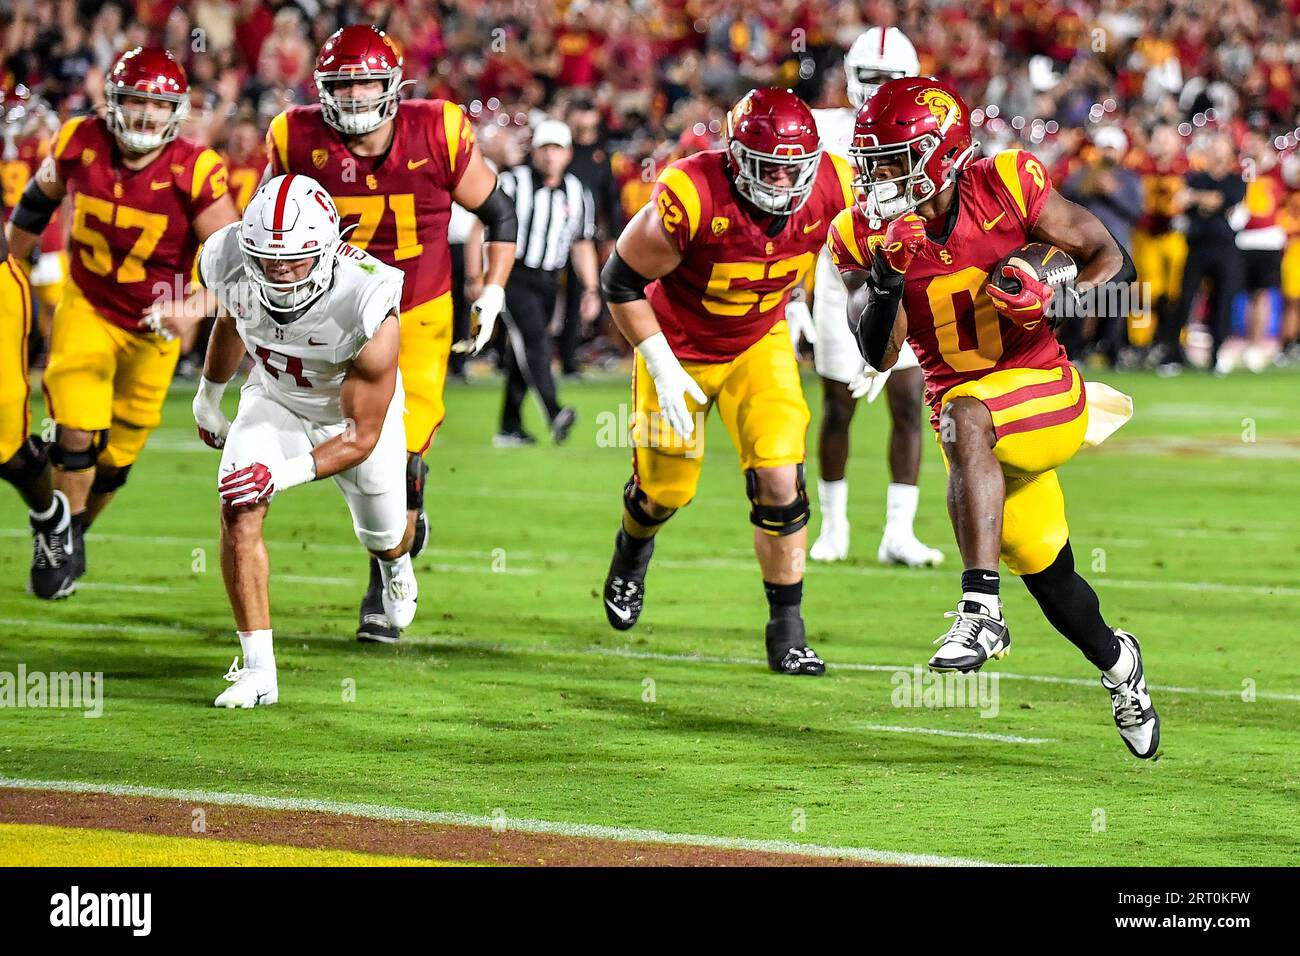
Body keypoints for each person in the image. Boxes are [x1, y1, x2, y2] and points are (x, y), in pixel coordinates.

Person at [830, 77, 1159, 758]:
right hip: (974, 432)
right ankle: (1120, 663)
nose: (881, 177)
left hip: (1043, 390)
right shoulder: (862, 230)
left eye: (898, 159)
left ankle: (980, 610)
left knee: (966, 412)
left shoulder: (1007, 181)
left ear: (945, 154)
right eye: (875, 161)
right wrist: (886, 279)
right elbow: (877, 353)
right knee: (1053, 578)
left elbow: (1112, 261)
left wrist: (1055, 286)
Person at [253, 25, 518, 644]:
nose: (352, 101)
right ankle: (397, 536)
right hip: (325, 317)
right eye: (341, 88)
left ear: (392, 85)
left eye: (366, 84)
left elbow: (497, 211)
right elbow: (266, 224)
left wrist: (494, 289)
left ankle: (385, 572)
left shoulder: (438, 129)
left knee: (397, 449)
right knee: (346, 445)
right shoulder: (295, 137)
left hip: (417, 310)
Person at [599, 88, 856, 676]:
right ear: (737, 157)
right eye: (771, 167)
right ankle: (632, 549)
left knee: (780, 476)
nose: (785, 181)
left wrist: (869, 336)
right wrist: (660, 365)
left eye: (796, 167)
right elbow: (619, 281)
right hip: (678, 347)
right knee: (665, 491)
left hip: (757, 343)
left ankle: (786, 631)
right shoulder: (691, 192)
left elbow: (866, 255)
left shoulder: (834, 185)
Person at [5, 47, 238, 599]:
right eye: (134, 100)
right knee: (76, 429)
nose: (144, 115)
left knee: (118, 454)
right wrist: (9, 270)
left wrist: (194, 307)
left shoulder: (194, 167)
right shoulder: (78, 141)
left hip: (158, 318)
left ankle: (72, 529)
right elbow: (36, 205)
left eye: (157, 105)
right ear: (113, 101)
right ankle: (56, 540)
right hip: (88, 302)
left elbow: (237, 262)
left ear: (177, 111)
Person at [192, 174, 414, 707]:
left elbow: (360, 437)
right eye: (267, 261)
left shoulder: (367, 295)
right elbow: (232, 317)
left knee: (384, 536)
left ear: (329, 250)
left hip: (353, 421)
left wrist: (281, 476)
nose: (278, 273)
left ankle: (395, 564)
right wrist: (208, 397)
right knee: (237, 504)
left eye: (293, 260)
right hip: (275, 399)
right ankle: (259, 671)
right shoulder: (226, 258)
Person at [807, 27, 943, 567]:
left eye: (891, 79)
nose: (878, 88)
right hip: (838, 272)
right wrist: (795, 300)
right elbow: (800, 220)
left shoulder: (928, 131)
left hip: (906, 274)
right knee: (838, 406)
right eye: (870, 77)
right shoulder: (820, 131)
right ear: (848, 76)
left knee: (910, 403)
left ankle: (898, 533)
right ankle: (834, 524)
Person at [494, 119, 600, 446]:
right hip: (513, 275)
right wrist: (478, 276)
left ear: (568, 153)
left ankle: (509, 427)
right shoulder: (512, 182)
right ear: (534, 151)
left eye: (556, 149)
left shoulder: (577, 192)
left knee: (523, 351)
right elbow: (480, 229)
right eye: (545, 148)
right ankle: (554, 412)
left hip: (549, 279)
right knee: (536, 341)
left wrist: (592, 288)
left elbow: (581, 243)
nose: (550, 156)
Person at [1160, 133, 1245, 375]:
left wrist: (1196, 198)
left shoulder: (1235, 181)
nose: (1217, 153)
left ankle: (1216, 354)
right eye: (1214, 147)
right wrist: (1199, 199)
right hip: (1197, 246)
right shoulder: (1195, 177)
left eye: (1222, 147)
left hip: (1224, 247)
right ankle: (1173, 353)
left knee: (1222, 299)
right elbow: (1181, 199)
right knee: (1185, 299)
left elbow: (1220, 200)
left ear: (1230, 154)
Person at [1060, 126, 1142, 364]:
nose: (1107, 154)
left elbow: (1136, 212)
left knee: (1115, 304)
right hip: (1083, 249)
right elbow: (1065, 205)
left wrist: (1112, 193)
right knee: (1076, 299)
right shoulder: (1082, 174)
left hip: (1118, 250)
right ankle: (1072, 351)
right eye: (1104, 148)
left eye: (1112, 149)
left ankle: (1112, 352)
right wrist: (1087, 189)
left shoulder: (1129, 180)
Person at [559, 97, 621, 378]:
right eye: (579, 111)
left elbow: (611, 197)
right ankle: (506, 353)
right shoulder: (561, 147)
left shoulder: (601, 152)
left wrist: (612, 236)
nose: (584, 118)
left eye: (588, 111)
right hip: (553, 228)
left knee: (579, 292)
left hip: (584, 233)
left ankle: (571, 357)